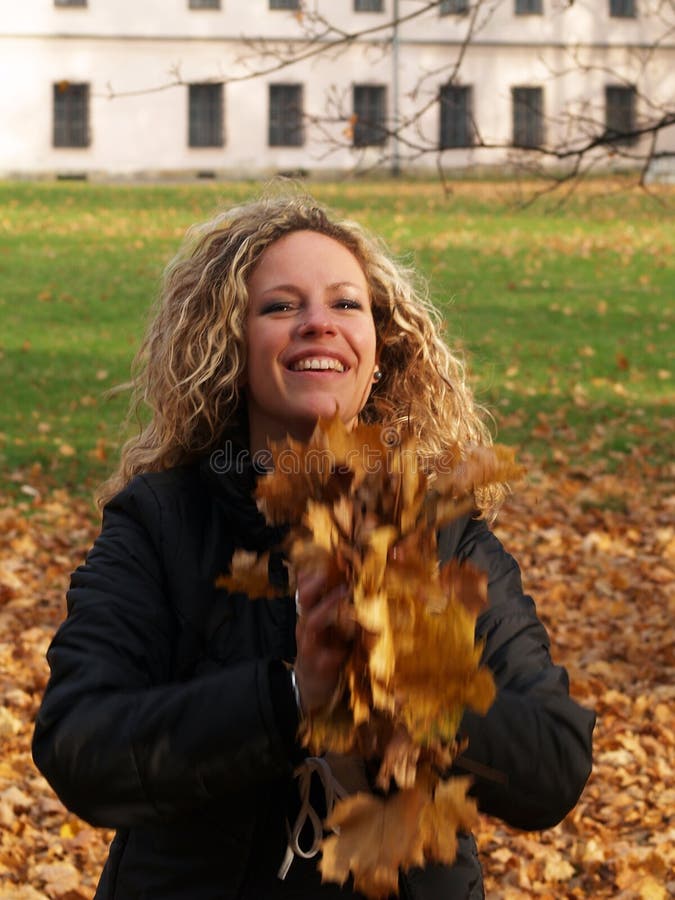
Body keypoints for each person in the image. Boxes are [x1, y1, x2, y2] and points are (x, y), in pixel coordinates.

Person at [32, 192, 595, 900]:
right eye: (279, 307)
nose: (317, 325)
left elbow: (554, 764)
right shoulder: (164, 522)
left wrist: (408, 690)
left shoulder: (440, 530)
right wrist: (295, 696)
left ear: (381, 349)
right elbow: (80, 745)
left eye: (345, 304)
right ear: (228, 345)